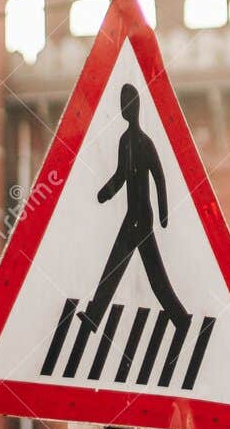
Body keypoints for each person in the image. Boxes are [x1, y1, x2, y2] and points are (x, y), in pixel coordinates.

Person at [76, 83, 191, 333]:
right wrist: (105, 193)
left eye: (127, 104)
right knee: (127, 270)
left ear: (136, 108)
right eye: (122, 105)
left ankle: (182, 320)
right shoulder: (124, 141)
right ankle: (180, 320)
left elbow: (159, 178)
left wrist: (164, 214)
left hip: (142, 217)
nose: (124, 110)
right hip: (132, 216)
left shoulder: (144, 142)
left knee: (151, 276)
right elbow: (120, 175)